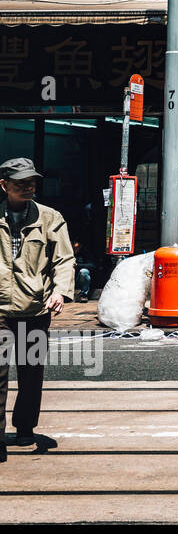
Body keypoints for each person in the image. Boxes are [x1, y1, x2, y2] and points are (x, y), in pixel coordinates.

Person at [0, 157, 74, 461]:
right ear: (4, 185)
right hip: (1, 310)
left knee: (31, 375)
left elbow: (64, 259)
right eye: (20, 182)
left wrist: (60, 291)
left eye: (31, 181)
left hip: (35, 310)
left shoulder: (49, 218)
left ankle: (26, 427)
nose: (28, 187)